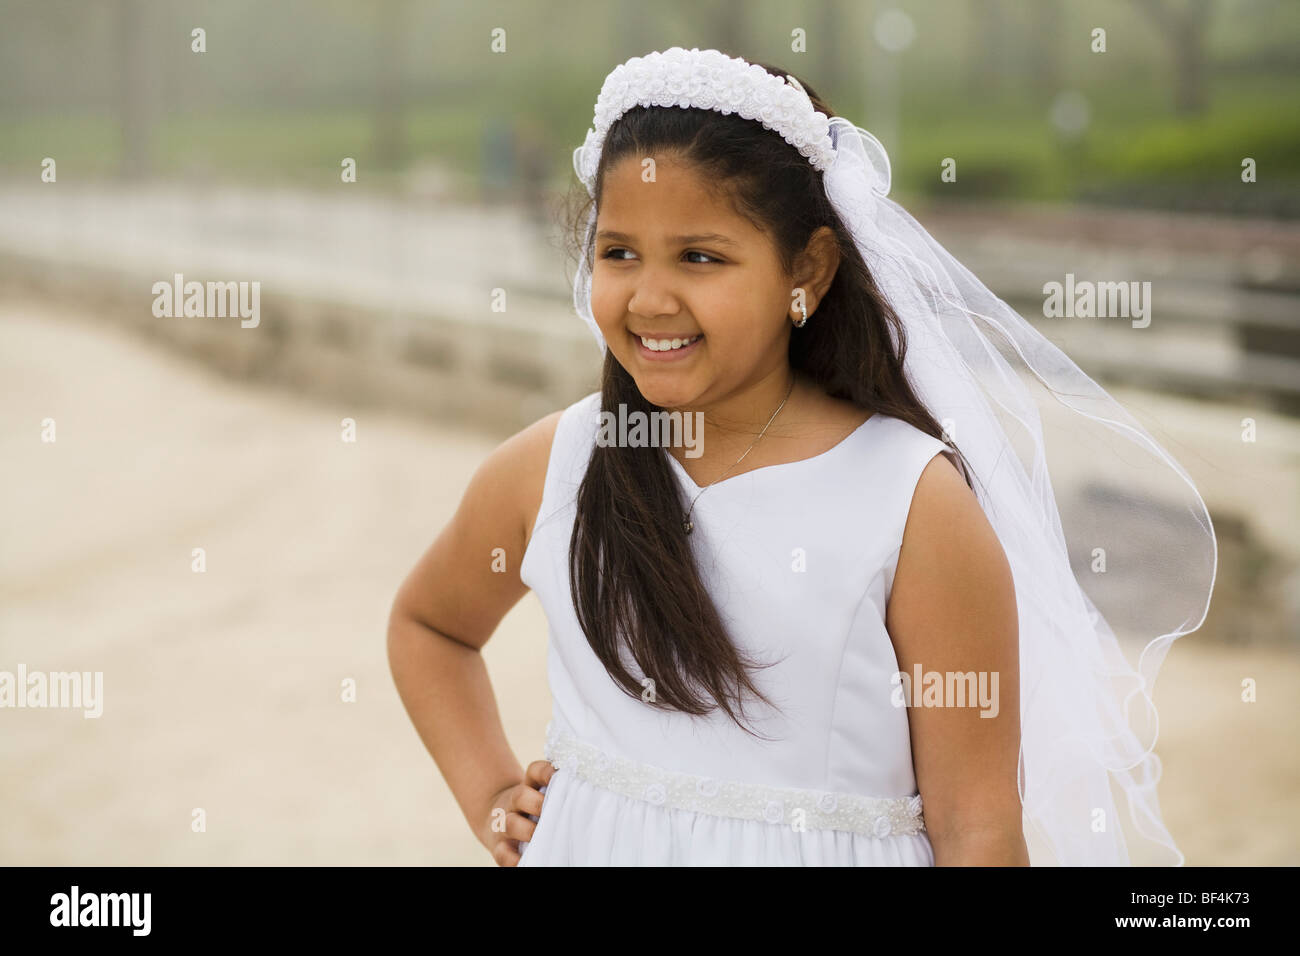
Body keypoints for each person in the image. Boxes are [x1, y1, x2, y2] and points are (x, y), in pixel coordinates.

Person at [388, 48, 1216, 867]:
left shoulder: (910, 503)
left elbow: (979, 828)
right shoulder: (555, 464)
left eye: (701, 257)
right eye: (618, 252)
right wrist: (493, 796)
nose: (648, 297)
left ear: (808, 272)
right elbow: (429, 625)